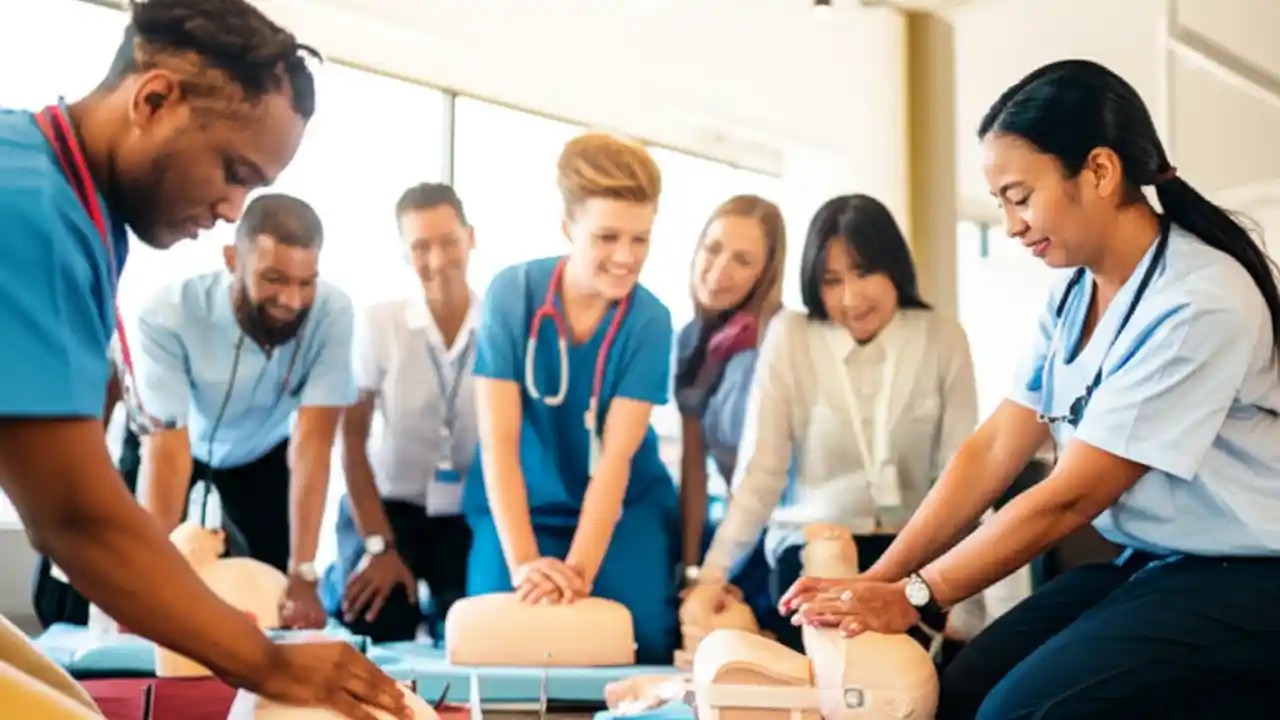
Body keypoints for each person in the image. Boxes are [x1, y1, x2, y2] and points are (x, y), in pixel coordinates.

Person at [780, 59, 1280, 719]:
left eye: (1020, 197)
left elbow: (1072, 496)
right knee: (960, 694)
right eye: (1001, 206)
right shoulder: (1073, 296)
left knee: (1015, 713)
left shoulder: (1200, 301)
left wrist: (920, 597)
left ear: (1099, 172)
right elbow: (992, 451)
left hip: (1249, 579)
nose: (1012, 225)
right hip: (1152, 563)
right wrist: (877, 583)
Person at [0, 1, 408, 716]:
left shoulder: (58, 190)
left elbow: (312, 450)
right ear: (154, 100)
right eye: (232, 170)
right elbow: (73, 515)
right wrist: (268, 666)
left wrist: (299, 578)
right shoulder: (30, 209)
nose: (231, 206)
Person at [690, 194, 978, 651]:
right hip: (814, 543)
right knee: (845, 655)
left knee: (911, 675)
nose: (851, 298)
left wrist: (980, 603)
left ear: (894, 268)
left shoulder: (942, 338)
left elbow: (965, 476)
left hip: (914, 546)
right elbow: (760, 475)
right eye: (831, 280)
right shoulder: (792, 336)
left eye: (864, 273)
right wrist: (711, 576)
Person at [465, 132, 678, 665]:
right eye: (608, 237)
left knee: (639, 641)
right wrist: (524, 565)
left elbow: (614, 464)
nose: (627, 258)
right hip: (524, 501)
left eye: (641, 239)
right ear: (568, 228)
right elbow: (499, 445)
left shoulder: (649, 321)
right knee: (494, 640)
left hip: (622, 506)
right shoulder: (512, 294)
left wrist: (576, 575)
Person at [122, 192, 353, 630]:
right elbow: (167, 450)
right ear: (232, 259)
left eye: (306, 282)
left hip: (261, 452)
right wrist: (148, 582)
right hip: (173, 442)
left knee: (273, 600)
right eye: (274, 279)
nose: (292, 300)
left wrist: (302, 572)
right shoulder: (167, 314)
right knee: (126, 583)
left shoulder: (333, 314)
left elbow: (313, 444)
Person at [327, 183, 479, 643]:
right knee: (377, 616)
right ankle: (343, 570)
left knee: (471, 630)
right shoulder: (380, 323)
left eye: (449, 242)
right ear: (404, 253)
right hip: (388, 510)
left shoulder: (498, 323)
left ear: (471, 238)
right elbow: (350, 439)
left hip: (466, 514)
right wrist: (379, 544)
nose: (436, 260)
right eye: (420, 247)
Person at [672, 195, 785, 619]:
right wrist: (691, 568)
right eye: (713, 248)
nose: (719, 271)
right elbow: (693, 468)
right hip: (727, 531)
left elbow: (767, 480)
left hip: (776, 528)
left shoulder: (777, 340)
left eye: (742, 260)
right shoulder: (690, 341)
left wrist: (722, 574)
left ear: (765, 274)